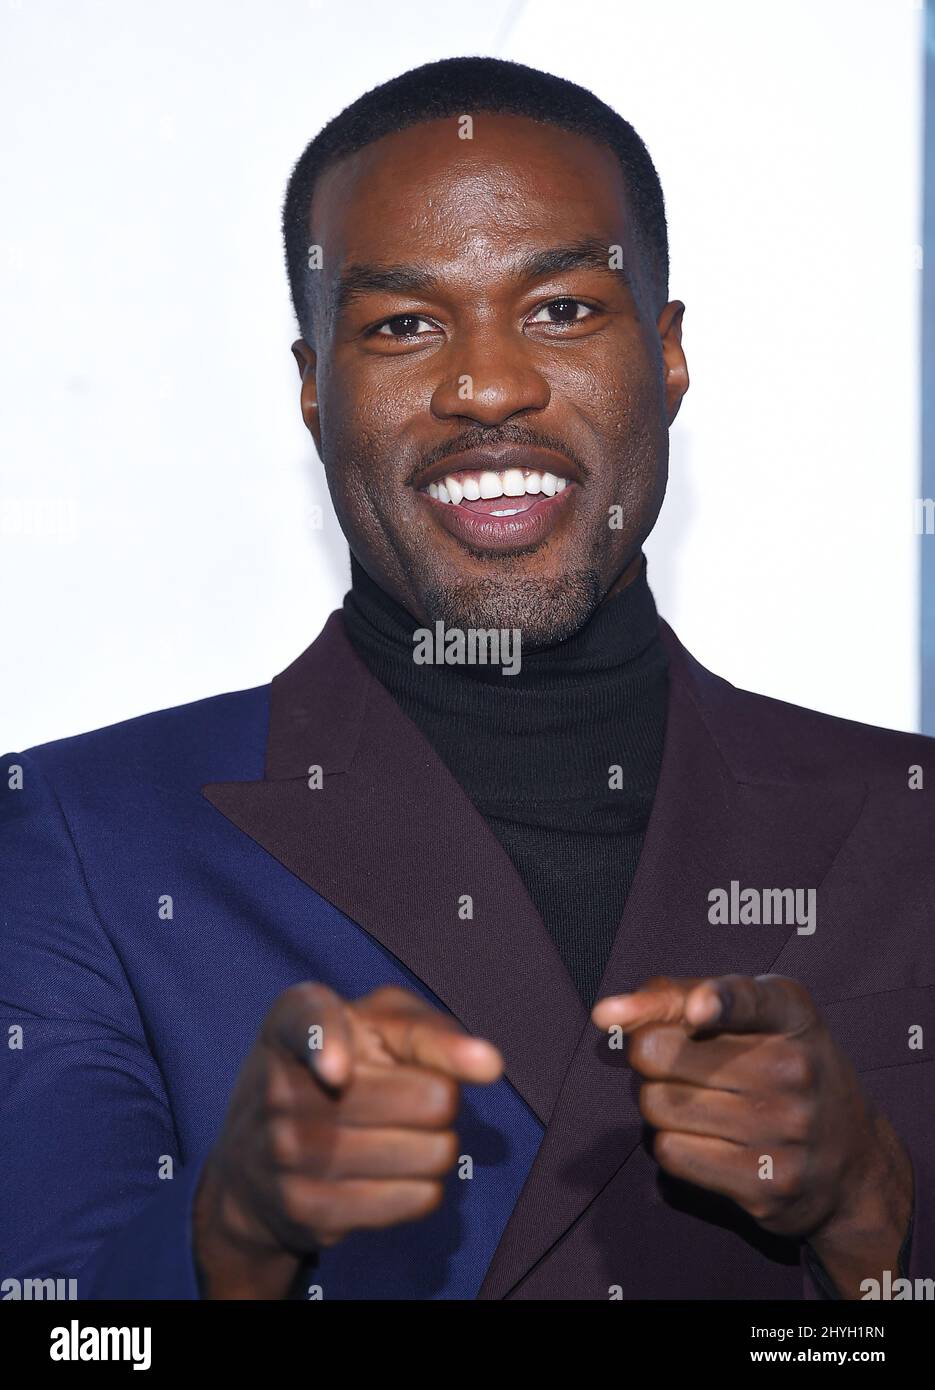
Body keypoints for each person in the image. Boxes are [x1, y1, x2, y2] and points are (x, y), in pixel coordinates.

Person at [1, 56, 930, 1302]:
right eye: (402, 325)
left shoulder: (909, 818)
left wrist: (873, 1218)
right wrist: (227, 1236)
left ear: (666, 357)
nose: (487, 386)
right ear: (312, 389)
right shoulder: (74, 836)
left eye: (560, 308)